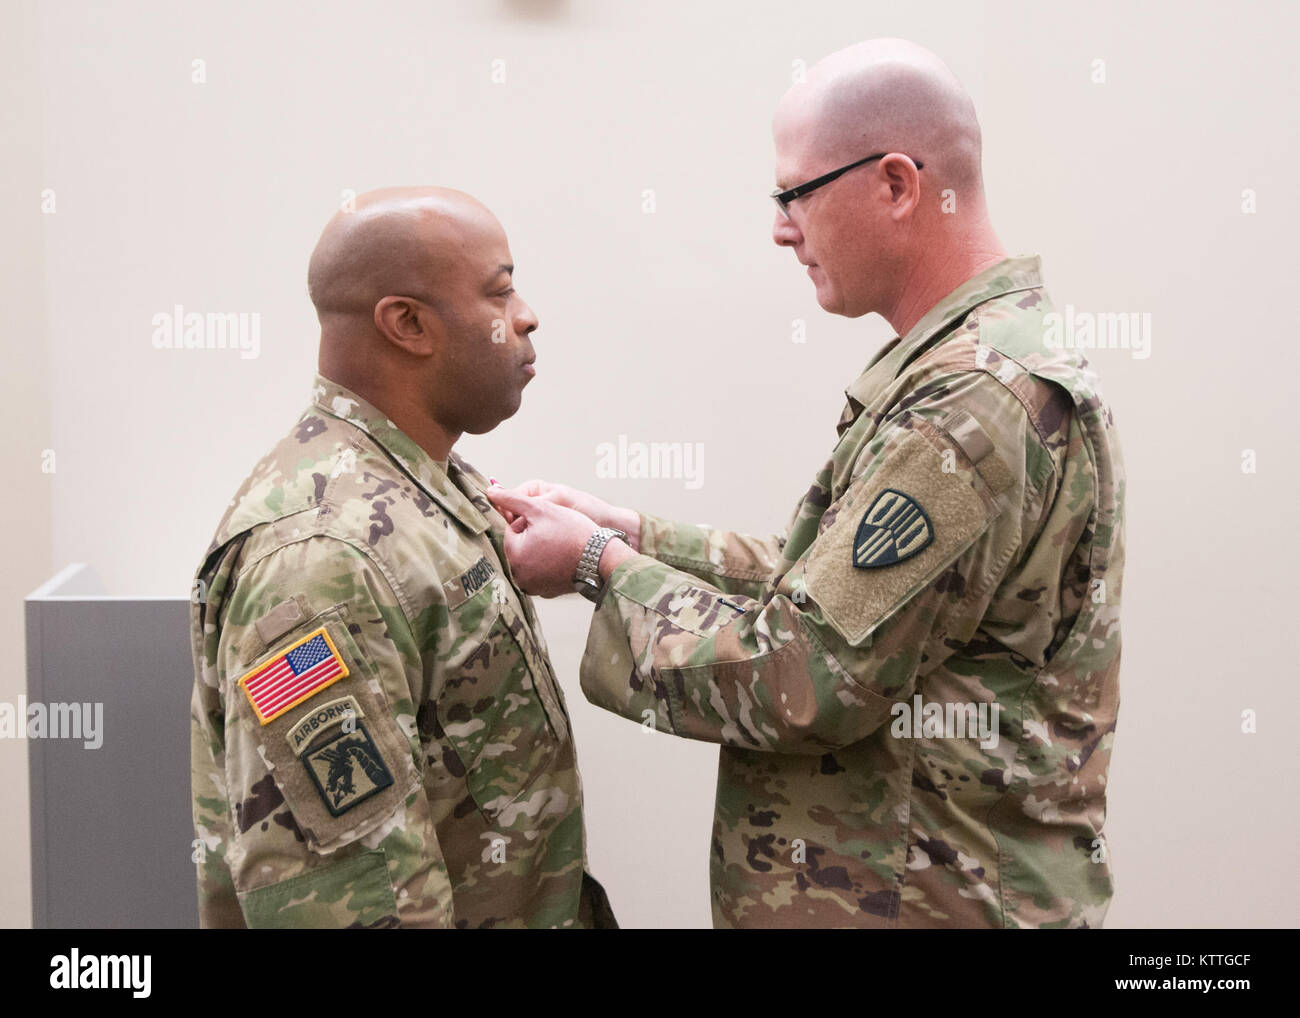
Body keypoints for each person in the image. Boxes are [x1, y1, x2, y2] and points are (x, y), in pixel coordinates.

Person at [486, 38, 1126, 928]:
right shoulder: (963, 370)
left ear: (897, 184)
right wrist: (632, 532)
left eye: (795, 194)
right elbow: (833, 589)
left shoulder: (973, 402)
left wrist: (597, 566)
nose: (781, 227)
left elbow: (805, 670)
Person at [189, 186, 615, 929]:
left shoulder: (421, 486)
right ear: (408, 324)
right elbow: (353, 904)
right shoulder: (323, 557)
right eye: (501, 290)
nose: (526, 315)